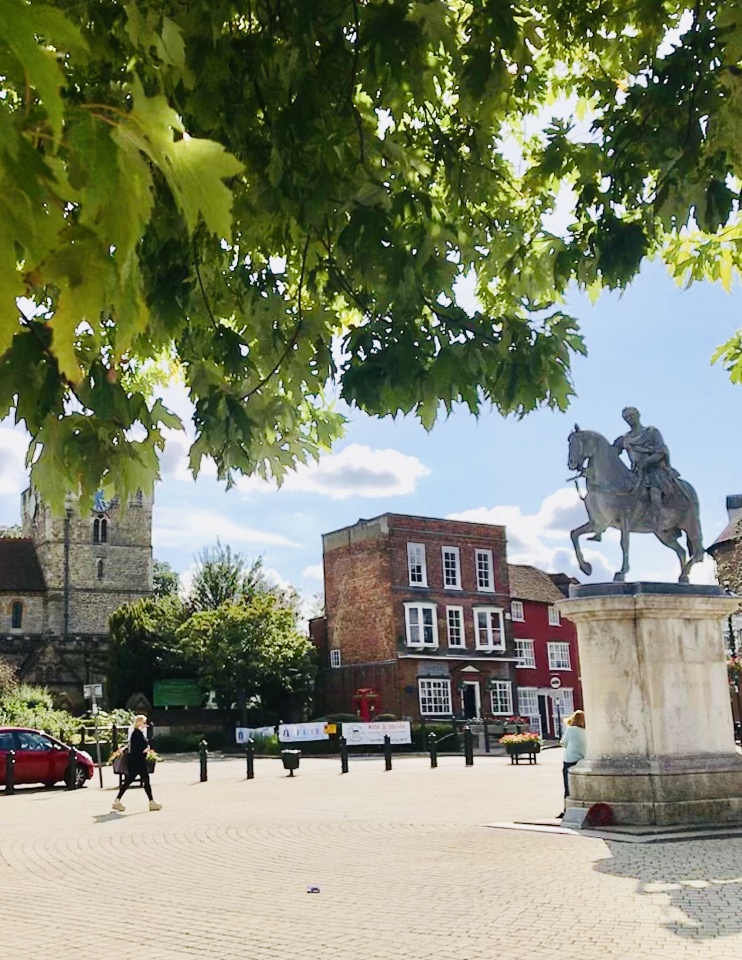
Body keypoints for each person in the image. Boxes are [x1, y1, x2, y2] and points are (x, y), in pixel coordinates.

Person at [612, 406, 681, 528]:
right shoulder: (625, 439)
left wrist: (646, 462)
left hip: (654, 471)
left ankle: (659, 519)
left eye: (631, 416)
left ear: (638, 415)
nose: (629, 419)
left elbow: (661, 451)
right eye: (626, 418)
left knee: (654, 492)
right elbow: (611, 453)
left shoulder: (651, 432)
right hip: (635, 473)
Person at [111, 714, 162, 813]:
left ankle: (117, 800)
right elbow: (141, 748)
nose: (145, 725)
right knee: (145, 780)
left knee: (129, 781)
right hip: (139, 761)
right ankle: (151, 802)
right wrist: (146, 748)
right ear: (139, 723)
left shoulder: (136, 733)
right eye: (144, 722)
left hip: (134, 761)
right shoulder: (137, 734)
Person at [558, 710, 586, 817]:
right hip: (582, 760)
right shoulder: (586, 731)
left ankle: (566, 810)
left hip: (570, 760)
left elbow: (563, 743)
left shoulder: (570, 730)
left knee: (567, 786)